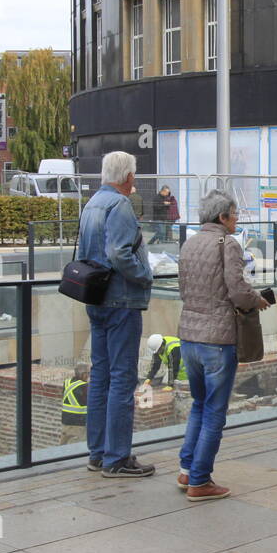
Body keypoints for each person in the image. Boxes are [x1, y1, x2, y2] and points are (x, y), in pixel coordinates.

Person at [174, 189, 271, 501]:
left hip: (188, 335)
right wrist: (258, 300)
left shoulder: (189, 244)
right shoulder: (227, 244)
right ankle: (200, 482)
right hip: (217, 340)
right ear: (222, 217)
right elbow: (238, 291)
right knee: (215, 411)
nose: (237, 219)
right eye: (234, 214)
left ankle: (187, 470)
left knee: (198, 405)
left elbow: (183, 289)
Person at [74, 150, 156, 478]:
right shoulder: (120, 205)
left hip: (95, 299)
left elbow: (84, 251)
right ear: (127, 177)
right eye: (133, 175)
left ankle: (97, 454)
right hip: (121, 301)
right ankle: (117, 458)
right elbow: (120, 253)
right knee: (123, 378)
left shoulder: (92, 203)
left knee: (101, 376)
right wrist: (144, 274)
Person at [59, 365, 88, 446]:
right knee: (77, 448)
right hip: (78, 423)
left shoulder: (67, 382)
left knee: (63, 446)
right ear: (83, 374)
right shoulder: (85, 386)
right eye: (87, 373)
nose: (88, 376)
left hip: (65, 421)